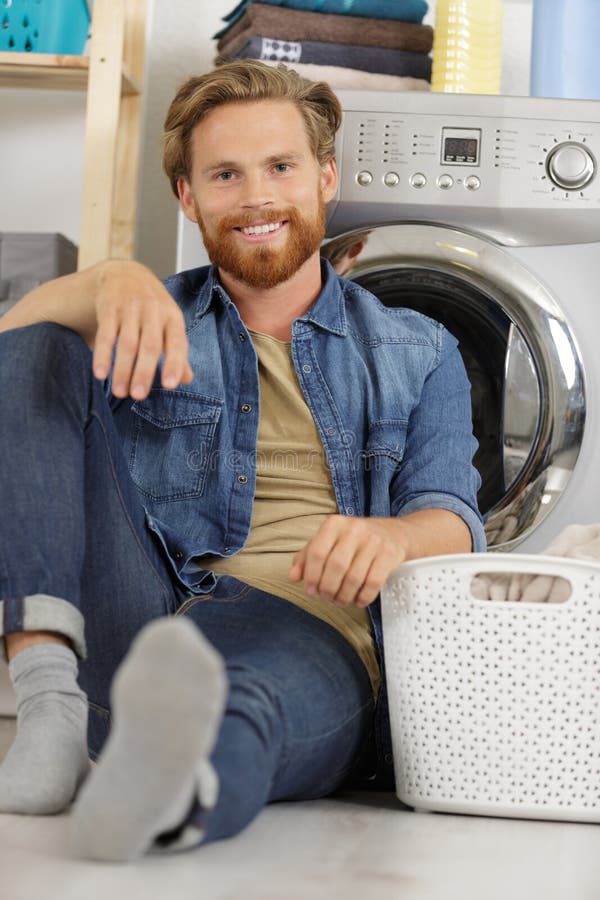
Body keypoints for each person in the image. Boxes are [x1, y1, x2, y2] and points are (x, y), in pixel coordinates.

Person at [0, 60, 485, 861]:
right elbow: (13, 378)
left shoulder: (418, 349)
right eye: (225, 174)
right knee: (33, 349)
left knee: (244, 698)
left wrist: (393, 539)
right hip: (139, 610)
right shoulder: (145, 317)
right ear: (188, 199)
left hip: (306, 624)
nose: (257, 196)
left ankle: (171, 787)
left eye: (281, 167)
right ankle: (52, 708)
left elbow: (454, 516)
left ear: (326, 179)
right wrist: (105, 279)